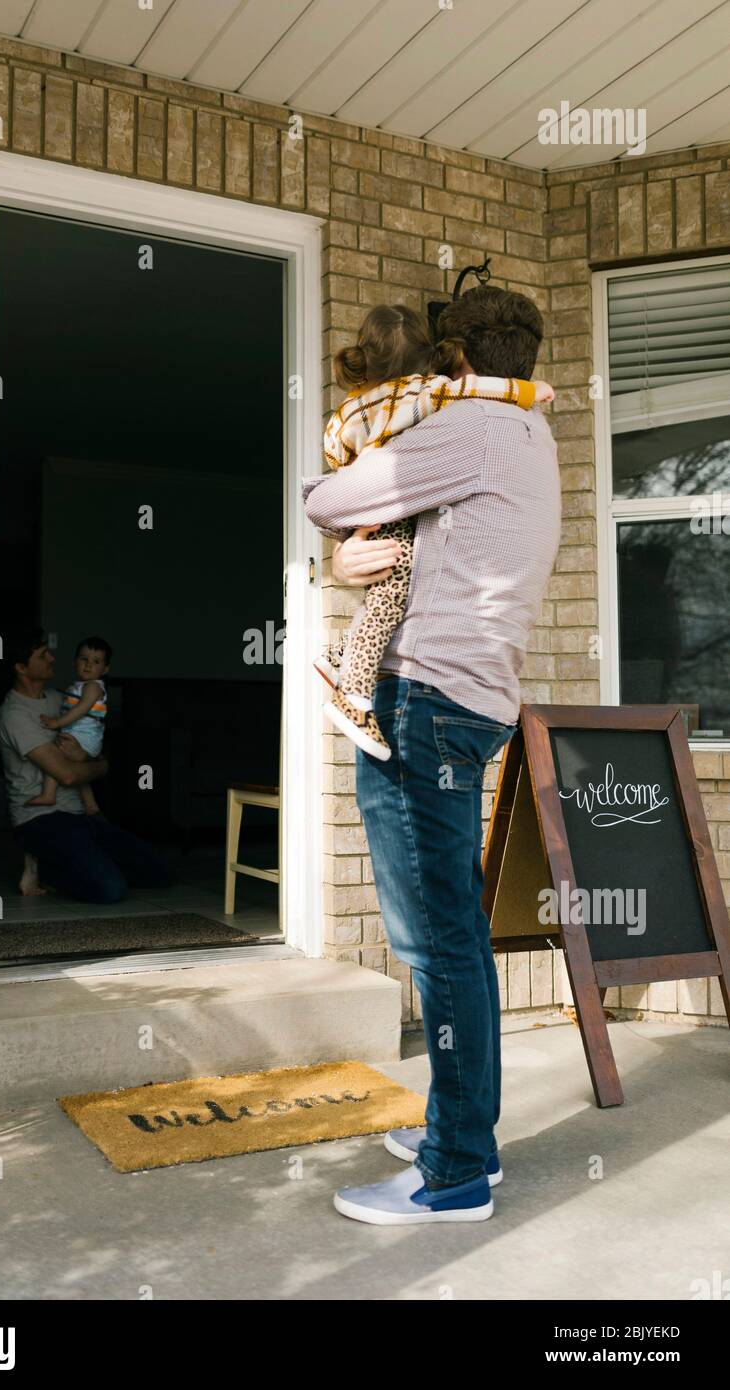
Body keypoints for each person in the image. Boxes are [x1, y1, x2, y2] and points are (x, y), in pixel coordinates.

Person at [303, 286, 561, 1225]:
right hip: (473, 700)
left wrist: (334, 544)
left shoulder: (474, 427)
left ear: (454, 367)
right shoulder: (529, 434)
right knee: (448, 934)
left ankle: (454, 1172)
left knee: (439, 940)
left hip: (427, 701)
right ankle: (465, 1132)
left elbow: (329, 496)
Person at [315, 303, 553, 760]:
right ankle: (351, 685)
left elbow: (330, 495)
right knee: (392, 592)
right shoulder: (450, 401)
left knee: (387, 592)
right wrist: (529, 391)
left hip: (431, 689)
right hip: (472, 691)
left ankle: (346, 668)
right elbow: (478, 389)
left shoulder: (351, 411)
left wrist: (349, 530)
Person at [0, 629, 172, 902]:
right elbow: (66, 775)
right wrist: (100, 767)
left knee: (160, 873)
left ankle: (86, 863)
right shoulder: (14, 715)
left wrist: (90, 760)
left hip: (79, 815)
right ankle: (49, 869)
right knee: (110, 889)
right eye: (43, 655)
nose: (52, 658)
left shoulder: (61, 699)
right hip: (39, 820)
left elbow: (89, 752)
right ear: (21, 668)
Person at [26, 635, 111, 815]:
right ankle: (91, 805)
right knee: (78, 771)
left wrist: (57, 722)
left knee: (56, 757)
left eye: (96, 661)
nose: (88, 665)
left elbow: (80, 710)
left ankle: (49, 794)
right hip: (82, 735)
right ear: (75, 662)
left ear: (105, 669)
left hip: (84, 737)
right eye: (84, 659)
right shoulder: (79, 686)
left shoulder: (93, 687)